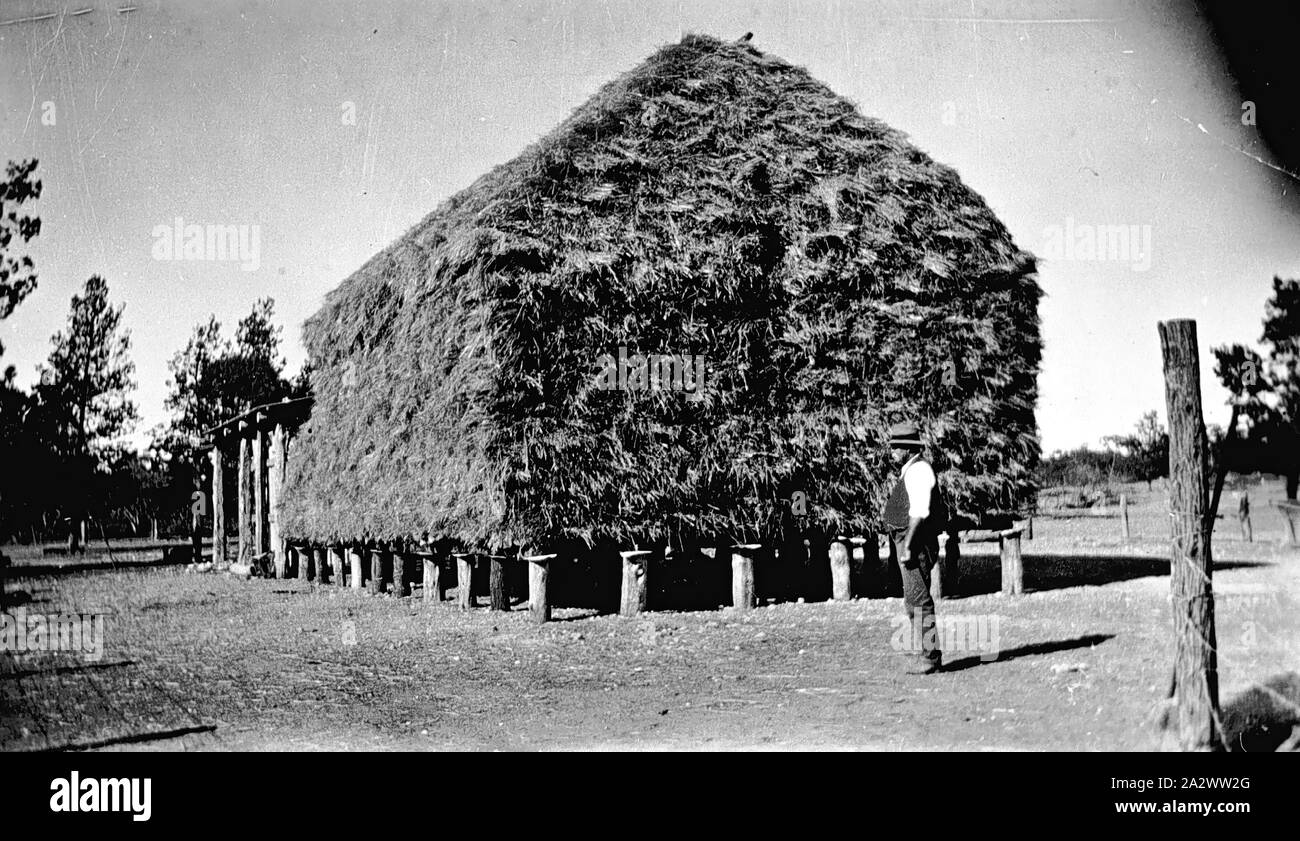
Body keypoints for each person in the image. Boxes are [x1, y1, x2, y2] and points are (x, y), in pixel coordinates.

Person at [882, 421, 945, 674]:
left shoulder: (918, 471)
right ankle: (927, 652)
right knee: (914, 600)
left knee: (919, 600)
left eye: (897, 447)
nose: (893, 452)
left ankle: (930, 657)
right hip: (909, 540)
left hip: (914, 542)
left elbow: (919, 512)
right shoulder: (912, 469)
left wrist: (908, 546)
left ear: (908, 449)